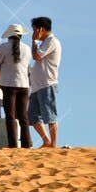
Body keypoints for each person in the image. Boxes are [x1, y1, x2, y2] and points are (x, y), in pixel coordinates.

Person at [0, 23, 31, 148]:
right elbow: (27, 67)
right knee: (23, 116)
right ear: (21, 35)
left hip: (8, 84)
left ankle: (13, 145)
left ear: (9, 36)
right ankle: (27, 144)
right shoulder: (27, 48)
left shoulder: (3, 47)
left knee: (10, 116)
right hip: (24, 84)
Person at [29, 16, 61, 148]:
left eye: (35, 29)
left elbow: (36, 56)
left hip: (47, 84)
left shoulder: (51, 41)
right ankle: (46, 141)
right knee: (32, 116)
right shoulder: (45, 42)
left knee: (50, 116)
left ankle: (53, 143)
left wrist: (34, 41)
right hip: (38, 86)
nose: (34, 32)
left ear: (40, 29)